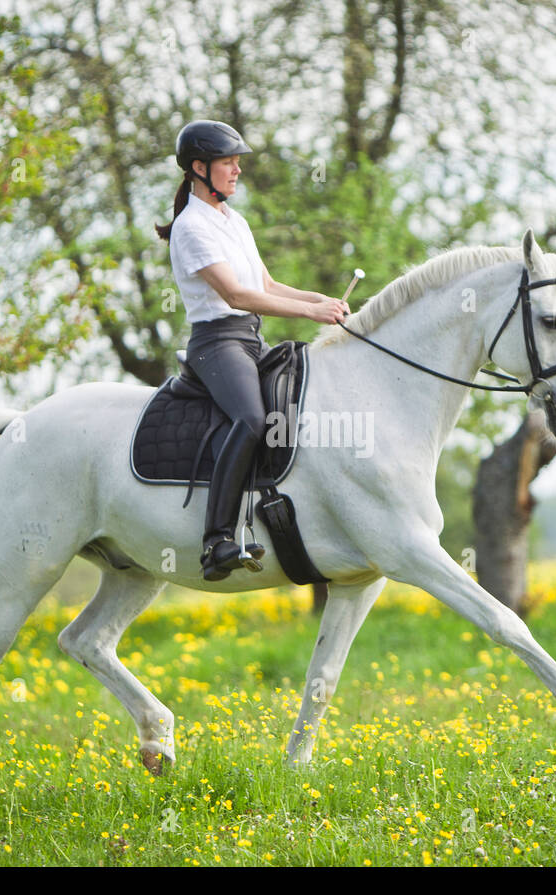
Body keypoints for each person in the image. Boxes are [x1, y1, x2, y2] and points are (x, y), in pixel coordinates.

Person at [155, 120, 350, 581]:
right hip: (216, 342)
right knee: (254, 419)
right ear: (199, 169)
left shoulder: (233, 221)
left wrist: (319, 301)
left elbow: (265, 284)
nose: (238, 170)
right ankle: (217, 539)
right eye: (229, 162)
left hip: (249, 338)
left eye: (238, 162)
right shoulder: (190, 228)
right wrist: (308, 316)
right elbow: (237, 296)